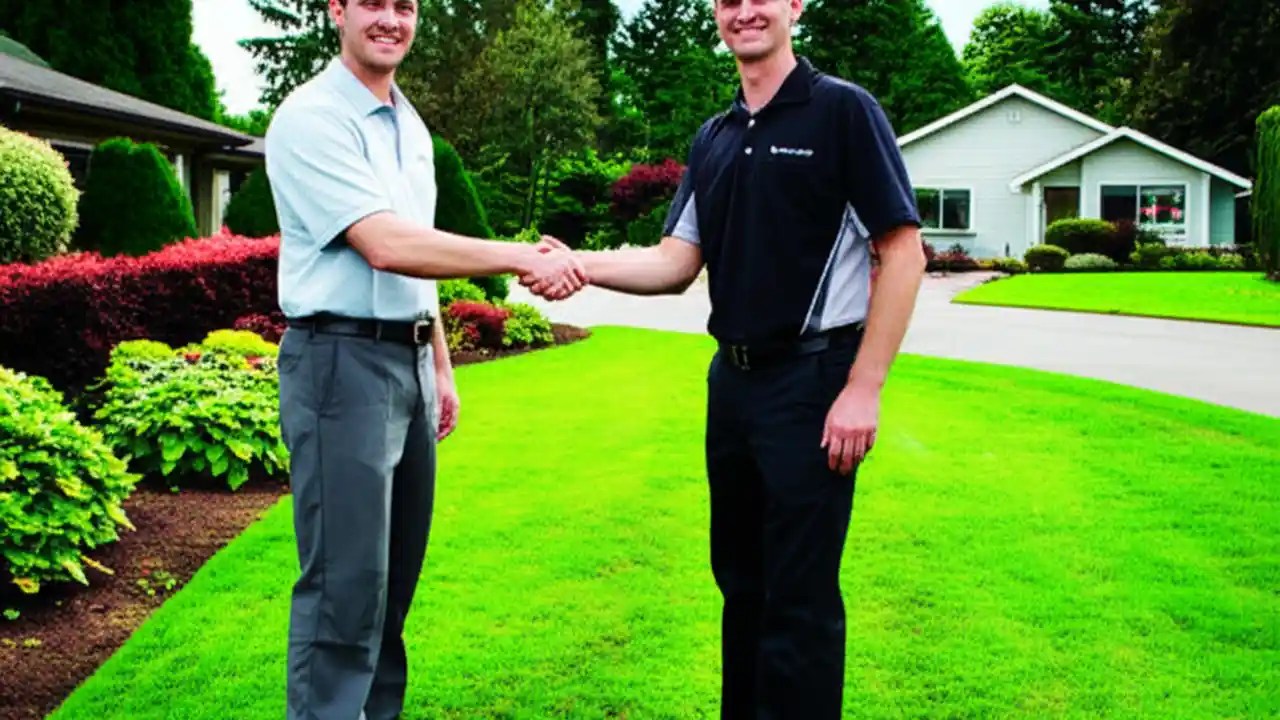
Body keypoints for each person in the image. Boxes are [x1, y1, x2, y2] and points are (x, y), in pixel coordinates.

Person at [525, 0, 926, 716]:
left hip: (813, 382)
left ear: (793, 5)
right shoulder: (715, 136)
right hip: (733, 388)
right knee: (742, 587)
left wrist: (863, 387)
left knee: (799, 599)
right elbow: (674, 262)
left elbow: (902, 252)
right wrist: (574, 262)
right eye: (728, 1)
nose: (744, 12)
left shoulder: (842, 112)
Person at [263, 1, 585, 718]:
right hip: (339, 364)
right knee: (345, 591)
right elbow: (385, 244)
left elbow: (420, 259)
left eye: (404, 6)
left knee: (391, 588)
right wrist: (520, 256)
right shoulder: (313, 117)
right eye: (373, 4)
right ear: (337, 10)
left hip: (404, 362)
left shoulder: (409, 126)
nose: (391, 20)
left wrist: (438, 364)